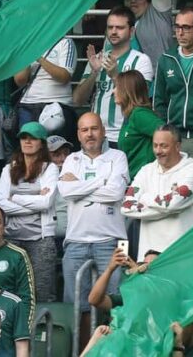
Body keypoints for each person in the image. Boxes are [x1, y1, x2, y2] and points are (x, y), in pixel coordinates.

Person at [58, 113, 129, 329]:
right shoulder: (71, 159)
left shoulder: (118, 157)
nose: (90, 134)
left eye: (94, 128)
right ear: (78, 135)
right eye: (84, 130)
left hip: (114, 241)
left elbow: (116, 193)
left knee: (117, 303)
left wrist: (79, 187)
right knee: (76, 307)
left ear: (103, 131)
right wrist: (103, 181)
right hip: (75, 241)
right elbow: (66, 191)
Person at [152, 6, 193, 206]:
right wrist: (168, 128)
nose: (180, 32)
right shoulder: (167, 59)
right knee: (175, 200)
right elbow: (159, 100)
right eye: (177, 27)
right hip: (175, 137)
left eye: (186, 28)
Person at [73, 6, 154, 147]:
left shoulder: (141, 60)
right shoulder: (97, 59)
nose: (114, 31)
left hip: (127, 136)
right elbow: (78, 100)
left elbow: (140, 101)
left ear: (132, 31)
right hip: (97, 137)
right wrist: (94, 73)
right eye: (110, 27)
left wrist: (116, 76)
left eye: (120, 27)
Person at [0, 125, 59, 303]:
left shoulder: (50, 168)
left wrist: (15, 197)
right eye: (24, 137)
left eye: (33, 138)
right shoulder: (8, 169)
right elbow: (1, 204)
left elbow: (46, 202)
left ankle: (43, 330)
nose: (27, 141)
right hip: (11, 239)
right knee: (8, 291)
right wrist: (35, 201)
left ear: (42, 143)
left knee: (42, 292)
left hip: (41, 240)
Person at [121, 125, 193, 257]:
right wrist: (168, 208)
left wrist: (145, 198)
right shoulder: (146, 171)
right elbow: (126, 207)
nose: (158, 151)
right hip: (147, 258)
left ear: (177, 146)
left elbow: (172, 204)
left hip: (181, 256)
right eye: (155, 145)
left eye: (164, 146)